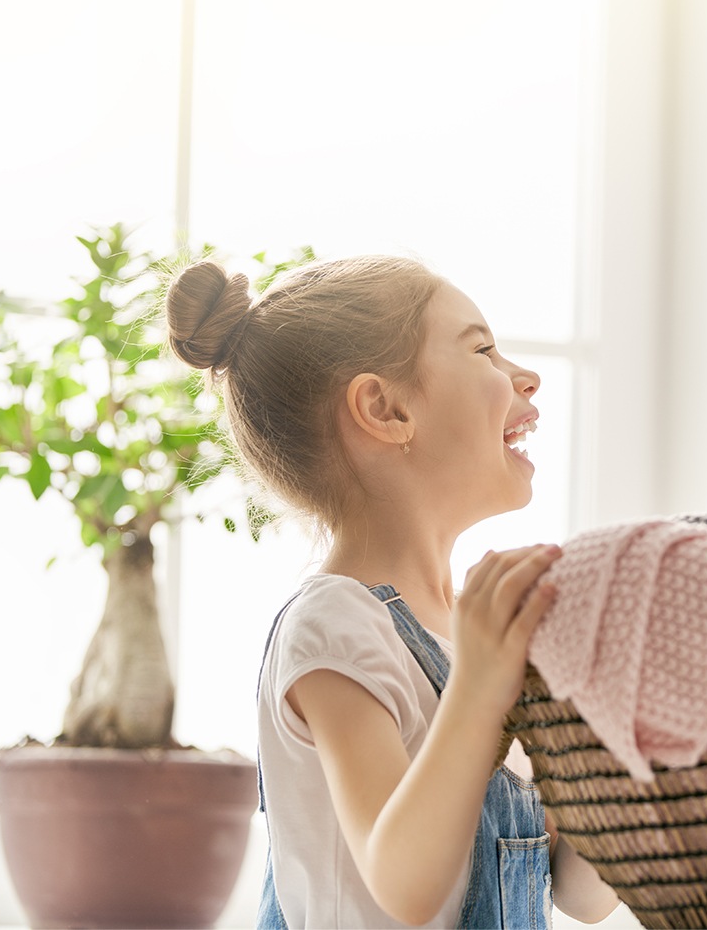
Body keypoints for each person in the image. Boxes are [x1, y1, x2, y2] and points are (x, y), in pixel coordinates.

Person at [165, 255, 620, 928]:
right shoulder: (337, 623)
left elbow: (585, 896)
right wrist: (484, 681)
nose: (526, 376)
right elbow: (404, 887)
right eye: (483, 351)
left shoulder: (473, 637)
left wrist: (611, 727)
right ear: (385, 409)